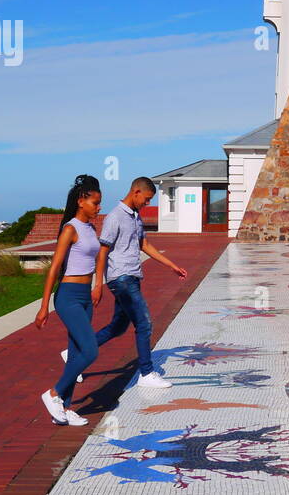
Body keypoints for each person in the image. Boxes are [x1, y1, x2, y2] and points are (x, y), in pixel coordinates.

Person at [92, 176, 187, 389]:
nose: (148, 203)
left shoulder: (135, 217)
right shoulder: (115, 217)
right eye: (146, 199)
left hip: (132, 277)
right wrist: (98, 284)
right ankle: (146, 372)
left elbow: (144, 244)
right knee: (144, 323)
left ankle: (75, 353)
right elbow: (103, 250)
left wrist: (172, 265)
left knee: (117, 327)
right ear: (136, 192)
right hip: (122, 278)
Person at [34, 174, 103, 425]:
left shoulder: (90, 228)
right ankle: (53, 393)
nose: (98, 207)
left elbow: (96, 259)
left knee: (75, 354)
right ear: (80, 201)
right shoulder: (70, 229)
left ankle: (64, 408)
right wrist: (44, 307)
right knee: (90, 350)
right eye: (95, 203)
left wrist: (98, 285)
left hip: (85, 297)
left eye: (99, 202)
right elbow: (54, 269)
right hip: (68, 297)